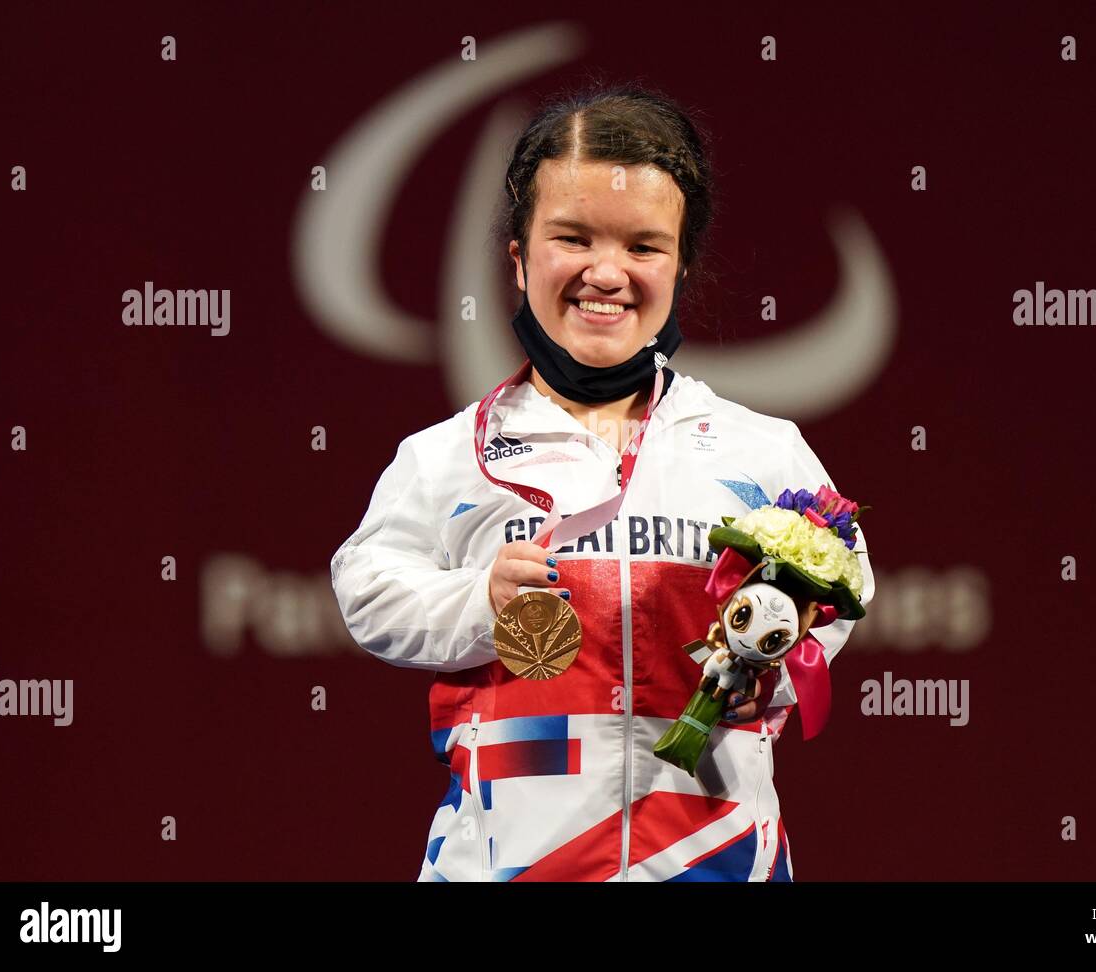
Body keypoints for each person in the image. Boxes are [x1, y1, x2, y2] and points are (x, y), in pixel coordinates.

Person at [330, 82, 874, 882]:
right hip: (507, 863)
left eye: (644, 246)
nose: (606, 273)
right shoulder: (445, 456)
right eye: (572, 237)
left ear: (682, 262)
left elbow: (846, 574)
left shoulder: (761, 451)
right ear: (517, 260)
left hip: (714, 859)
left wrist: (780, 667)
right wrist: (477, 602)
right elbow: (366, 589)